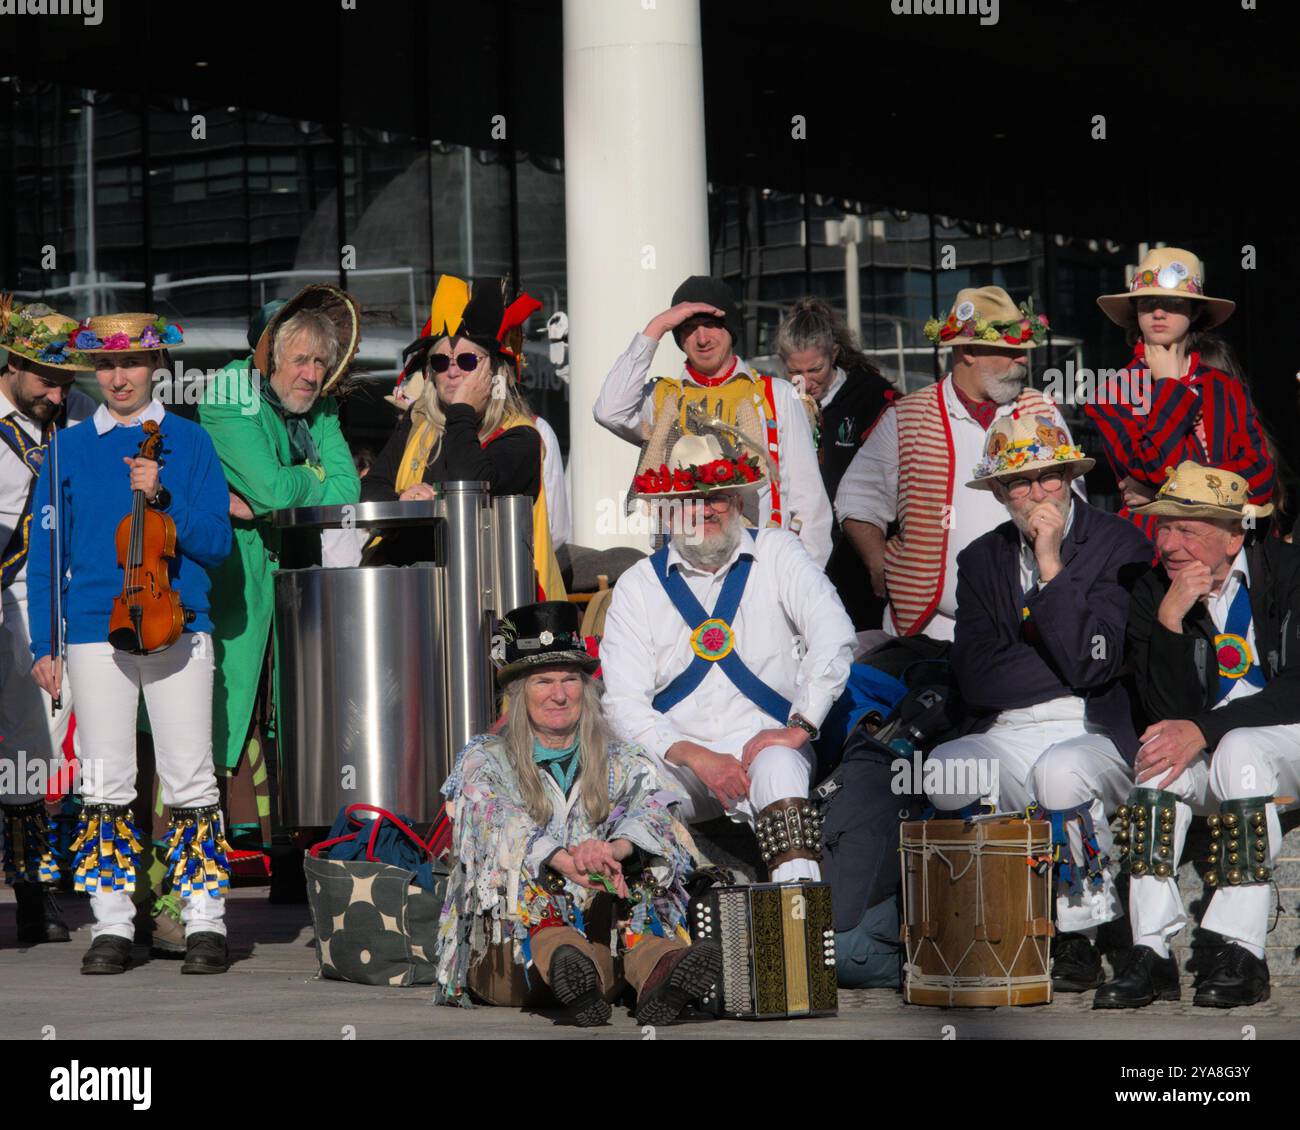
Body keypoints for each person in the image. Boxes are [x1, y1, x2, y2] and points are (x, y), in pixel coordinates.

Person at [27, 312, 233, 974]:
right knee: (103, 779)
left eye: (133, 365)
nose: (120, 377)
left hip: (177, 621)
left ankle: (205, 920)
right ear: (95, 373)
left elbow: (219, 544)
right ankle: (110, 924)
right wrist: (44, 641)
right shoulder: (67, 447)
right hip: (93, 626)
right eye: (108, 367)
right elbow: (44, 551)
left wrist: (163, 494)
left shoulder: (191, 443)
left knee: (189, 775)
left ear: (155, 369)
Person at [921, 414, 1153, 993]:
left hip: (1092, 726)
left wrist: (1051, 566)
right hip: (1006, 726)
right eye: (1018, 483)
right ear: (999, 493)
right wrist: (1069, 660)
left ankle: (1079, 935)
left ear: (1070, 476)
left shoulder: (1119, 541)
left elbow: (1098, 663)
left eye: (1048, 477)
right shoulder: (979, 559)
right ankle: (996, 920)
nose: (1036, 493)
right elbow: (976, 678)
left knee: (1060, 772)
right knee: (945, 769)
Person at [436, 600, 722, 1026]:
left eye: (571, 679)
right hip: (509, 957)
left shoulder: (624, 758)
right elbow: (493, 815)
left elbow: (659, 806)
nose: (560, 693)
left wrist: (616, 849)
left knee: (635, 919)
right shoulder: (484, 759)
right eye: (543, 681)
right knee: (551, 927)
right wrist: (562, 859)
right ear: (516, 693)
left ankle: (663, 970)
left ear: (586, 690)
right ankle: (575, 966)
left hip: (603, 937)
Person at [600, 429, 856, 881]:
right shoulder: (638, 584)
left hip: (767, 744)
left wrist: (799, 728)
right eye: (688, 499)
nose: (704, 510)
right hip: (678, 758)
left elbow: (834, 634)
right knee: (626, 786)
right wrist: (696, 756)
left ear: (738, 502)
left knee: (777, 768)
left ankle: (797, 923)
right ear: (668, 511)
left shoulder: (779, 552)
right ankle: (658, 937)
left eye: (717, 496)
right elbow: (621, 702)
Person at [1096, 462, 1300, 1009]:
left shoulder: (1290, 569)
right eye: (1163, 526)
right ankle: (1150, 952)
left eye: (1188, 529)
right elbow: (1163, 710)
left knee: (1240, 746)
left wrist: (1207, 728)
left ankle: (1243, 950)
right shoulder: (1153, 589)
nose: (1168, 542)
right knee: (1155, 765)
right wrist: (1169, 619)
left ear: (1236, 534)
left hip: (1288, 739)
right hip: (1217, 750)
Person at [197, 285, 362, 849]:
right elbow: (270, 491)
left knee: (294, 719)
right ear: (268, 358)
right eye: (301, 360)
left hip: (297, 583)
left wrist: (289, 491)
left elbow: (346, 490)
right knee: (230, 713)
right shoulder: (225, 394)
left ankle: (296, 856)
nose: (313, 375)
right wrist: (301, 487)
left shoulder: (322, 408)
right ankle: (211, 861)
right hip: (236, 587)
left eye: (322, 362)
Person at [836, 286, 1082, 644]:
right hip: (932, 628)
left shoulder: (1040, 411)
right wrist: (878, 563)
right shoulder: (909, 416)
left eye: (1025, 351)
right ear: (967, 351)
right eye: (1010, 350)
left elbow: (1075, 505)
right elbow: (856, 498)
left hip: (1030, 621)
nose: (1023, 361)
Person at [594, 274, 832, 567]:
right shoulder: (662, 398)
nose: (702, 338)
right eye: (689, 329)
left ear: (731, 328)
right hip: (683, 569)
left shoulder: (777, 395)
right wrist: (655, 329)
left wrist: (803, 579)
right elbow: (609, 410)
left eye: (711, 325)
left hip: (759, 569)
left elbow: (809, 503)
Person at [362, 275, 565, 598]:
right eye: (441, 362)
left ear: (495, 371)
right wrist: (402, 500)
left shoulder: (521, 436)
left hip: (496, 604)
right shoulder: (417, 425)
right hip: (414, 596)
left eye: (468, 361)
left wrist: (461, 412)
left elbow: (471, 486)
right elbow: (369, 490)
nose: (453, 371)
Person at [0, 299, 94, 945]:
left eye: (64, 379)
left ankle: (35, 893)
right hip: (2, 589)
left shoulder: (81, 416)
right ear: (10, 363)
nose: (56, 393)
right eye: (44, 378)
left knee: (32, 748)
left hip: (51, 599)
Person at [1088, 247, 1274, 536]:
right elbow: (1154, 469)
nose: (1159, 312)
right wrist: (1170, 387)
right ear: (1135, 311)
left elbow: (1261, 477)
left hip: (1231, 543)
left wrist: (1164, 493)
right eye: (1147, 303)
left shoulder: (1226, 386)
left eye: (1174, 303)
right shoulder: (1112, 392)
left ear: (1195, 310)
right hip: (1155, 549)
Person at [776, 296, 896, 628]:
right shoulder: (776, 401)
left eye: (815, 370)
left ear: (835, 356)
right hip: (801, 549)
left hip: (855, 552)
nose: (805, 382)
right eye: (794, 372)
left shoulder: (871, 397)